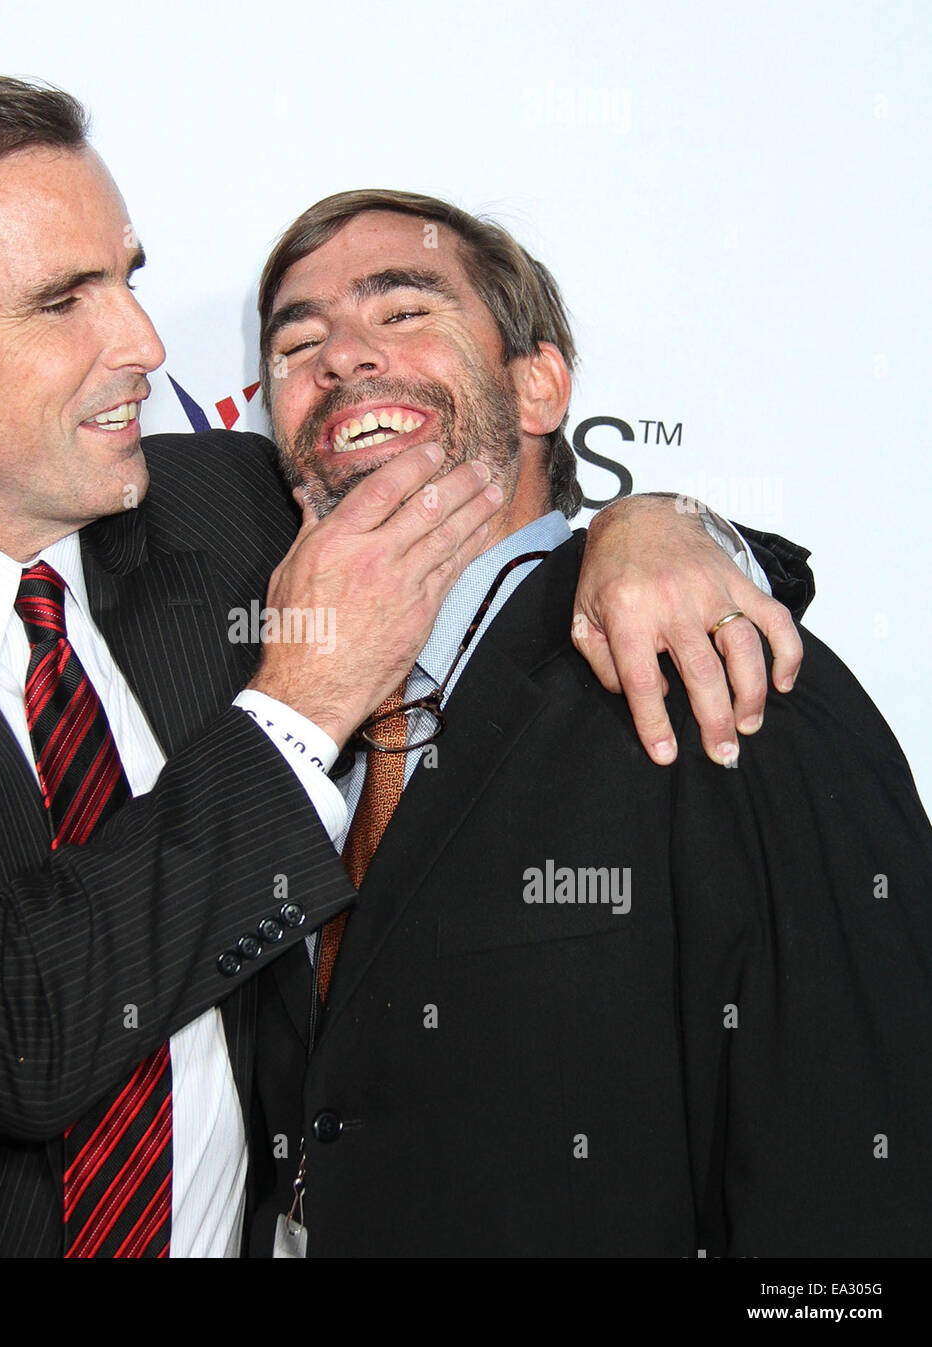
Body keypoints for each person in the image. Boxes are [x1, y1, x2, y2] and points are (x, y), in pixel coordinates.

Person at [0, 72, 804, 1259]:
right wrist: (297, 711)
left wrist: (655, 528)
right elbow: (12, 1032)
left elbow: (501, 501)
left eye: (128, 278)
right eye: (63, 301)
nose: (142, 345)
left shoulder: (227, 512)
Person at [245, 189, 932, 1257]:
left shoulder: (714, 669)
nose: (341, 357)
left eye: (404, 311)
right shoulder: (265, 694)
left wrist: (658, 519)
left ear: (538, 386)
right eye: (298, 341)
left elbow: (864, 1179)